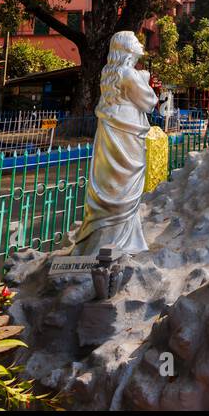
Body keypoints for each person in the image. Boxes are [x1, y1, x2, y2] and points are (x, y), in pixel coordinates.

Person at [76, 31, 158, 255]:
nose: (140, 44)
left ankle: (102, 232)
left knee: (110, 179)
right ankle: (121, 239)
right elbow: (149, 101)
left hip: (110, 128)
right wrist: (145, 79)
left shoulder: (108, 72)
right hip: (128, 129)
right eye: (136, 41)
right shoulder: (129, 74)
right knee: (125, 182)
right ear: (128, 48)